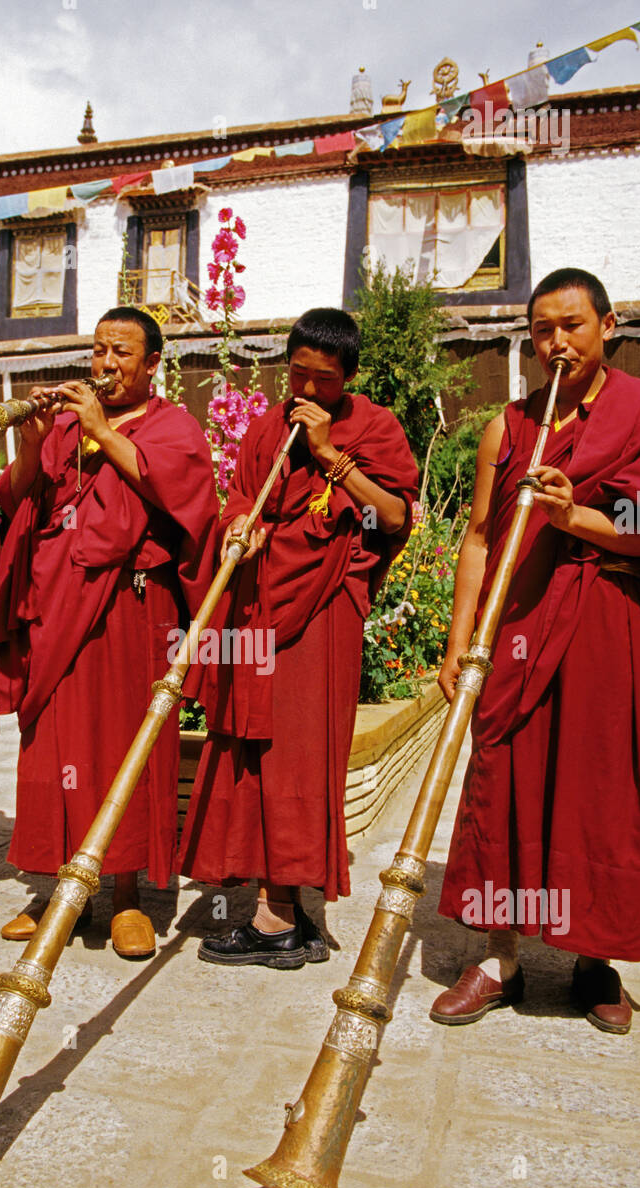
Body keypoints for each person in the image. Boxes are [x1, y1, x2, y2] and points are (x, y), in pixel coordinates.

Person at [432, 268, 640, 1034]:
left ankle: (595, 961)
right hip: (518, 626)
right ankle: (499, 958)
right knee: (505, 779)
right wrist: (459, 642)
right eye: (541, 330)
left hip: (605, 618)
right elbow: (478, 538)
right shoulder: (510, 424)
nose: (555, 343)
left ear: (607, 327)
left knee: (599, 791)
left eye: (571, 326)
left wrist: (573, 516)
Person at [178, 307, 418, 967]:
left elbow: (392, 516)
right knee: (253, 755)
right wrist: (237, 531)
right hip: (259, 607)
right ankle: (279, 909)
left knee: (298, 756)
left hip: (320, 614)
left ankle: (279, 916)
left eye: (323, 381)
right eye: (297, 375)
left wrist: (331, 458)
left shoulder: (373, 426)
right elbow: (239, 500)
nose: (307, 393)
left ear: (349, 377)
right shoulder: (264, 428)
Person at [0, 307, 218, 958]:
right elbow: (15, 501)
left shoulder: (173, 426)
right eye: (98, 350)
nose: (105, 365)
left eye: (120, 353)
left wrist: (99, 431)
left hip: (131, 610)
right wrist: (30, 441)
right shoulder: (58, 427)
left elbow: (186, 500)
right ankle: (56, 889)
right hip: (57, 606)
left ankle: (126, 896)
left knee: (122, 745)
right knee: (56, 745)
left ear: (150, 365)